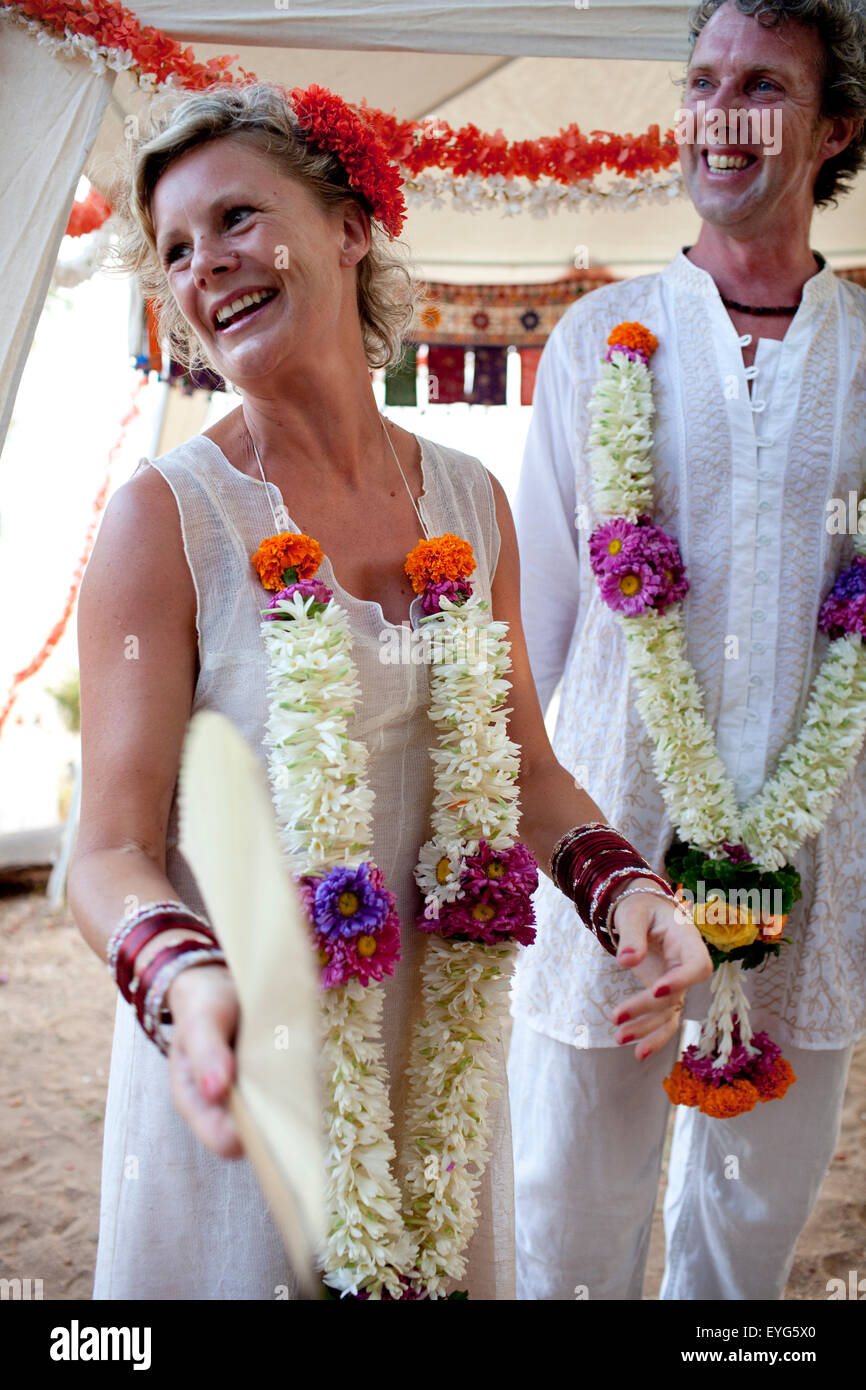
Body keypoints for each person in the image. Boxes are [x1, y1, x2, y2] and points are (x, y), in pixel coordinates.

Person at [68, 81, 711, 1301]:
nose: (207, 266)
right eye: (177, 250)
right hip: (240, 1075)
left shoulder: (470, 500)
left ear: (351, 224)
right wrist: (186, 977)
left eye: (238, 218)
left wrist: (631, 898)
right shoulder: (167, 521)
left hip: (436, 1082)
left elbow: (524, 769)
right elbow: (105, 851)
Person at [508, 0, 866, 1301]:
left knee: (752, 1221)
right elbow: (536, 624)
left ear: (835, 128)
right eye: (702, 81)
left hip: (808, 863)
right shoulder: (595, 340)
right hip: (603, 859)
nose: (719, 112)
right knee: (564, 1209)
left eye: (759, 84)